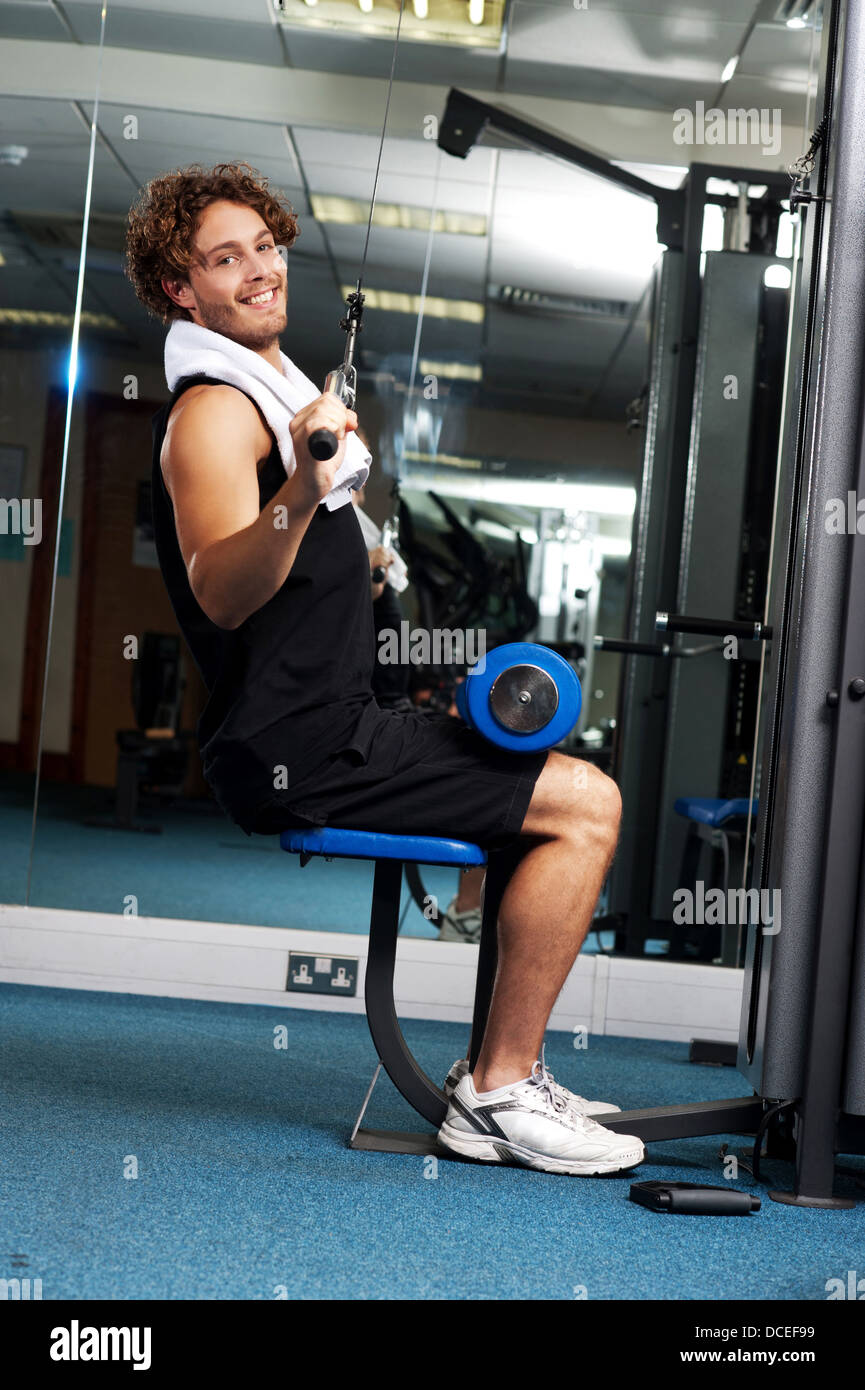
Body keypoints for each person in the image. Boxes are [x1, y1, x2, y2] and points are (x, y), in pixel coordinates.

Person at [125, 161, 643, 1177]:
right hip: (299, 743)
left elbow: (293, 581)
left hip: (334, 721)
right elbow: (219, 588)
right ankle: (498, 1090)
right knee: (586, 804)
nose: (259, 270)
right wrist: (302, 490)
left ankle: (500, 1069)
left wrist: (354, 557)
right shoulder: (214, 411)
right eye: (224, 260)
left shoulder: (273, 395)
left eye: (265, 247)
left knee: (539, 792)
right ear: (182, 290)